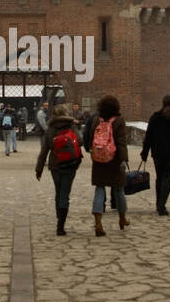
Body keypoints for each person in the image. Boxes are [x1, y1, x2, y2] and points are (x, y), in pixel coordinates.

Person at [83, 95, 129, 236]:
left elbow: (91, 137)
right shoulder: (119, 121)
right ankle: (122, 218)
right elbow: (121, 142)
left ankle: (98, 222)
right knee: (119, 190)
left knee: (99, 189)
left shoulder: (97, 119)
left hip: (99, 159)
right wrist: (124, 159)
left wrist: (92, 152)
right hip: (114, 159)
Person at [34, 103, 83, 235]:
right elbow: (80, 141)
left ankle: (59, 217)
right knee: (65, 194)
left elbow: (44, 151)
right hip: (70, 164)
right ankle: (61, 225)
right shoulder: (71, 125)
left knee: (58, 191)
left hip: (55, 164)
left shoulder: (51, 128)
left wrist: (39, 169)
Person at [141, 94, 170, 216]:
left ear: (163, 103)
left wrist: (144, 152)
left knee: (159, 178)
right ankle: (162, 205)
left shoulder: (155, 118)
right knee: (167, 178)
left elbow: (148, 137)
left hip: (157, 153)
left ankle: (158, 203)